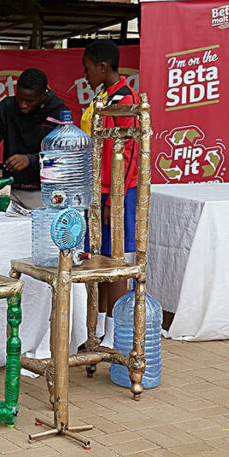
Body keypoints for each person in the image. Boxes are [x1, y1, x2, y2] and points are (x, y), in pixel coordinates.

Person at [80, 39, 138, 342]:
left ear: (103, 67)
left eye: (87, 70)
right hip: (99, 189)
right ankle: (100, 328)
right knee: (99, 259)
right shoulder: (105, 96)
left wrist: (114, 199)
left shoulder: (125, 99)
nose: (85, 76)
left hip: (117, 192)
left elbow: (127, 154)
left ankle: (116, 335)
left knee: (115, 261)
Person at [0, 67, 69, 210]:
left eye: (30, 101)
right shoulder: (7, 107)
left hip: (45, 193)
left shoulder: (58, 113)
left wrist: (30, 160)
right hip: (11, 191)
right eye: (20, 98)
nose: (23, 105)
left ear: (43, 96)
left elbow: (63, 155)